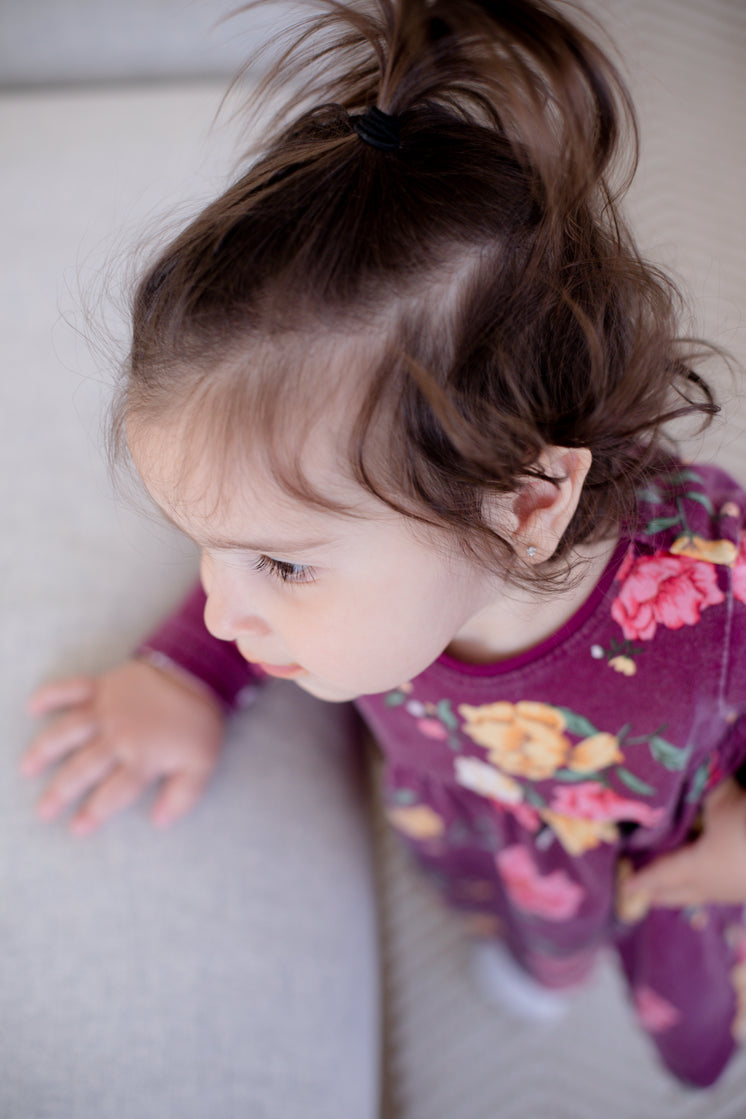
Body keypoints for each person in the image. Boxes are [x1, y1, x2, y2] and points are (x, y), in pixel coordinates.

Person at [22, 0, 746, 1089]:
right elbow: (239, 575)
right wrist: (187, 674)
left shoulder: (710, 604)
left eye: (279, 564)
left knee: (691, 1035)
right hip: (477, 815)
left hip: (665, 862)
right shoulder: (370, 563)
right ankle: (536, 956)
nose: (222, 607)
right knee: (516, 924)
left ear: (522, 504)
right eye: (212, 549)